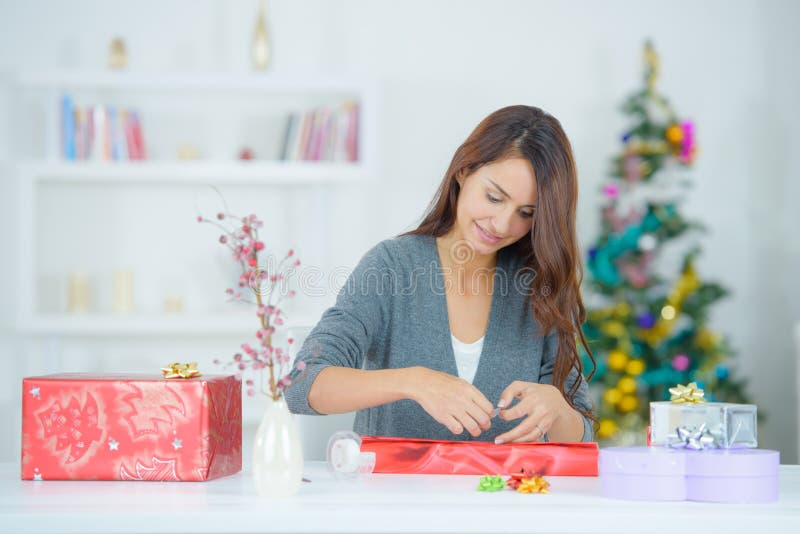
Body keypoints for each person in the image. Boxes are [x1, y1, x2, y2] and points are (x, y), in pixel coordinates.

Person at [286, 105, 596, 443]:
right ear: (463, 172)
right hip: (394, 494)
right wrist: (414, 382)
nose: (504, 224)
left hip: (505, 495)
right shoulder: (391, 267)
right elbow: (303, 384)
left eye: (526, 213)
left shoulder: (537, 286)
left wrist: (559, 410)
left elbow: (583, 434)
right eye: (494, 197)